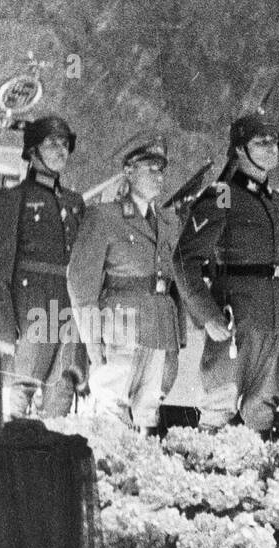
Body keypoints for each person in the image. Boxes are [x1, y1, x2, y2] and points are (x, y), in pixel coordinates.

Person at [173, 112, 279, 433]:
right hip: (238, 315)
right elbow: (184, 259)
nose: (271, 148)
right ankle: (205, 459)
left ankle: (252, 463)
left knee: (263, 407)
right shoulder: (222, 195)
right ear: (239, 149)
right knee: (220, 402)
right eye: (261, 142)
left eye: (275, 142)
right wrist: (207, 315)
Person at [67, 133, 183, 434]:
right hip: (119, 328)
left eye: (161, 169)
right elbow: (81, 287)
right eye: (150, 168)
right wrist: (93, 345)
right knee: (112, 410)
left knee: (148, 412)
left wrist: (176, 336)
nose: (158, 176)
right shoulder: (103, 217)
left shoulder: (169, 222)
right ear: (129, 171)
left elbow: (173, 283)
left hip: (159, 329)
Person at [0, 114, 86, 418]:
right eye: (52, 143)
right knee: (15, 403)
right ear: (32, 151)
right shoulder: (13, 198)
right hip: (29, 314)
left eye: (64, 144)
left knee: (60, 401)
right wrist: (4, 329)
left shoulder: (75, 203)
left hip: (68, 314)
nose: (61, 150)